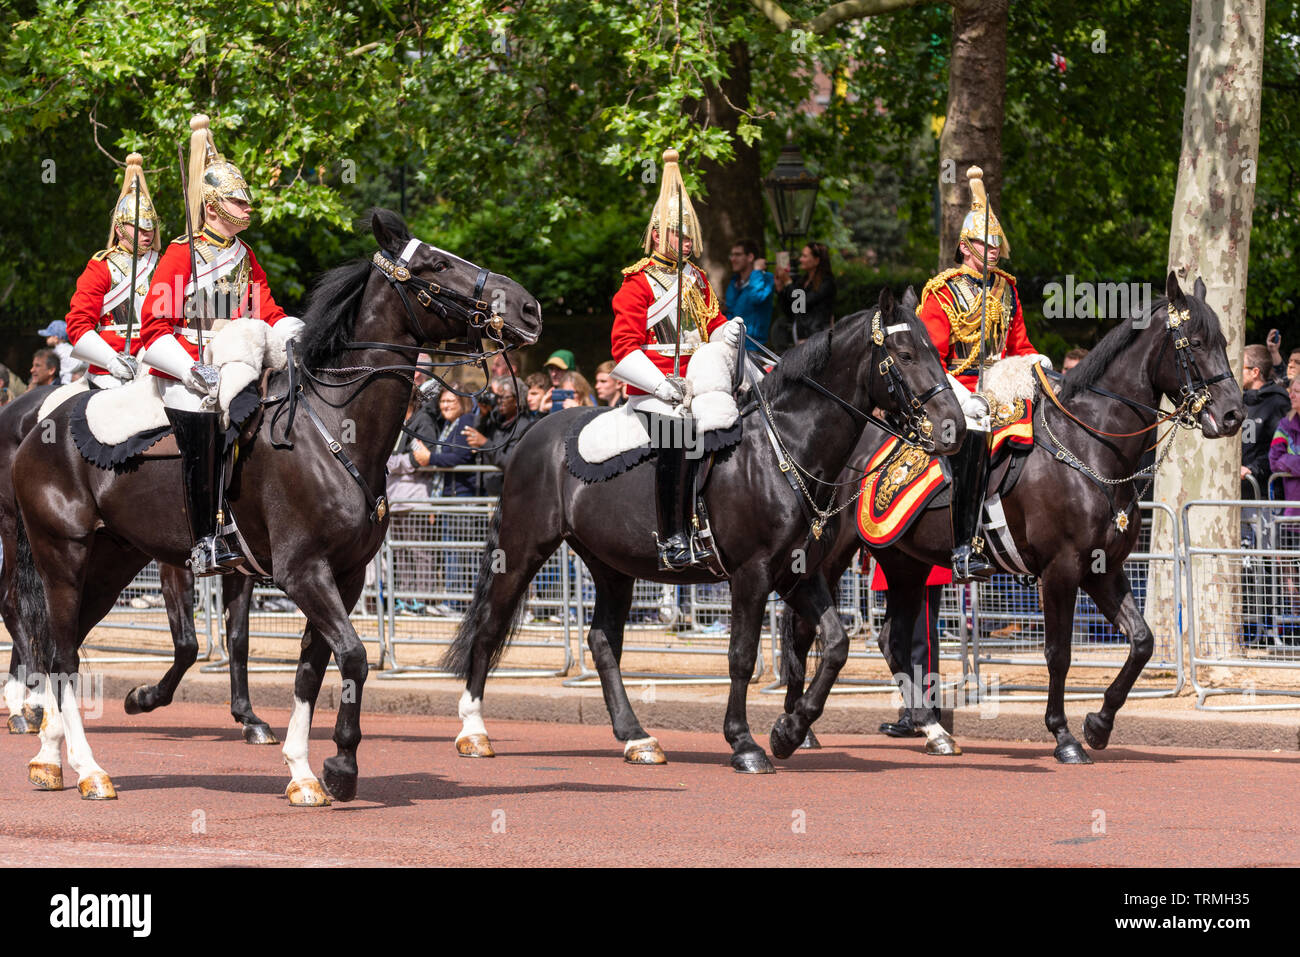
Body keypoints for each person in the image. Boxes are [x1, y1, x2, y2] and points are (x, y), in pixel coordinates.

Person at [139, 114, 304, 575]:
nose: (248, 208)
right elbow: (154, 326)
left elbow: (266, 311)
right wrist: (194, 370)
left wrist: (300, 332)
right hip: (187, 365)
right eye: (238, 201)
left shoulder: (245, 256)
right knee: (203, 427)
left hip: (238, 359)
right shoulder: (179, 253)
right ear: (212, 206)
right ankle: (205, 540)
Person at [609, 148, 741, 570]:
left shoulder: (699, 280)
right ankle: (672, 536)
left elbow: (711, 323)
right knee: (678, 434)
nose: (686, 243)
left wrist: (728, 330)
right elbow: (624, 346)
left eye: (689, 237)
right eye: (679, 236)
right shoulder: (637, 283)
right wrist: (661, 384)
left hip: (700, 382)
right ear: (658, 234)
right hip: (655, 388)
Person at [917, 166, 1051, 583]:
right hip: (954, 384)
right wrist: (954, 392)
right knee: (974, 426)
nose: (993, 249)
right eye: (983, 243)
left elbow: (1019, 348)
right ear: (964, 246)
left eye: (995, 244)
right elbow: (929, 358)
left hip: (1000, 382)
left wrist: (1039, 365)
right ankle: (963, 546)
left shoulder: (1006, 289)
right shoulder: (942, 291)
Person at [63, 152, 162, 391]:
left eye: (150, 227)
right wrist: (109, 360)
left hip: (159, 362)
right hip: (113, 368)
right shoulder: (101, 265)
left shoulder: (163, 263)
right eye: (138, 227)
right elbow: (78, 323)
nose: (147, 234)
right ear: (119, 229)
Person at [464, 375, 538, 496]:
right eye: (498, 397)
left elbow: (511, 462)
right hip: (486, 490)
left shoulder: (524, 427)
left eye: (504, 397)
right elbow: (473, 440)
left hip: (508, 495)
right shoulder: (496, 419)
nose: (499, 401)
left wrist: (485, 443)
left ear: (517, 400)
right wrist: (483, 415)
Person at [1241, 344, 1290, 499]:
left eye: (1239, 367)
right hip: (1237, 492)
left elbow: (1281, 449)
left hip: (1265, 493)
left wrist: (1252, 470)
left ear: (1255, 372)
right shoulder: (1236, 401)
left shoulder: (1278, 403)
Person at [774, 242, 836, 344]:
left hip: (818, 339)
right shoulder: (802, 282)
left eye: (804, 256)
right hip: (800, 339)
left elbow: (803, 303)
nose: (800, 259)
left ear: (816, 260)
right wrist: (780, 289)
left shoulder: (827, 283)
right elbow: (792, 311)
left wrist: (788, 283)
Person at [724, 239, 775, 351]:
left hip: (754, 349)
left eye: (737, 254)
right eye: (731, 255)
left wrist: (756, 271)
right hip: (732, 346)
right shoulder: (734, 283)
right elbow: (730, 312)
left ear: (750, 257)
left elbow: (756, 298)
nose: (732, 259)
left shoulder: (766, 279)